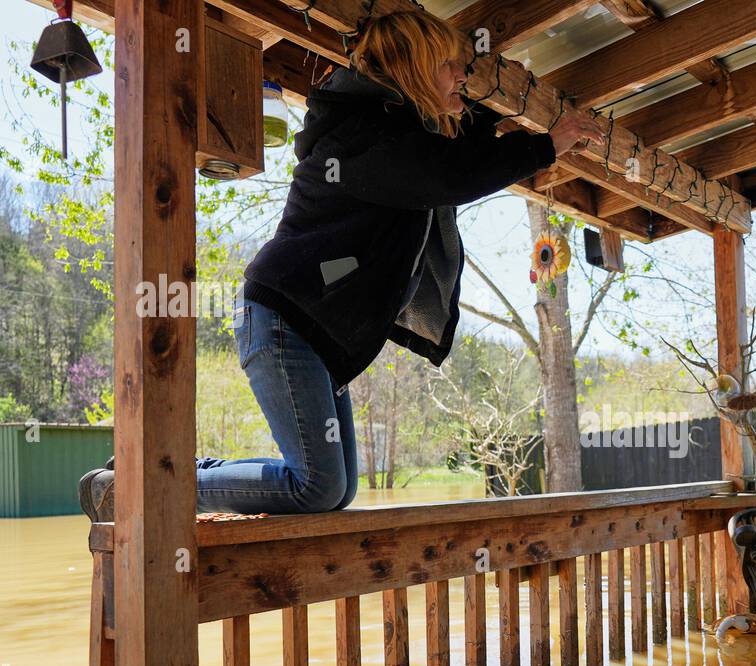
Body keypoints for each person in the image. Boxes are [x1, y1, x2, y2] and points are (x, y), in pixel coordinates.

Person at [79, 8, 604, 521]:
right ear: (414, 67)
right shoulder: (363, 136)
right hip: (285, 319)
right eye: (450, 64)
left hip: (317, 335)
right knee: (317, 485)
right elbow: (450, 175)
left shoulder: (397, 135)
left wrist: (494, 118)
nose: (463, 75)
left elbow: (454, 157)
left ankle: (187, 474)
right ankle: (147, 484)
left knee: (338, 489)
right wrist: (545, 145)